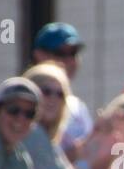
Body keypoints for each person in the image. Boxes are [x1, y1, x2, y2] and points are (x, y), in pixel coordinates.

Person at [22, 63, 80, 169]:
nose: (53, 99)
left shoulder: (47, 139)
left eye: (60, 94)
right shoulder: (32, 132)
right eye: (46, 91)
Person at [30, 22, 93, 160]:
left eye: (73, 53)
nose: (68, 60)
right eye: (61, 53)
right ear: (39, 55)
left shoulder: (78, 106)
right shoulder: (24, 101)